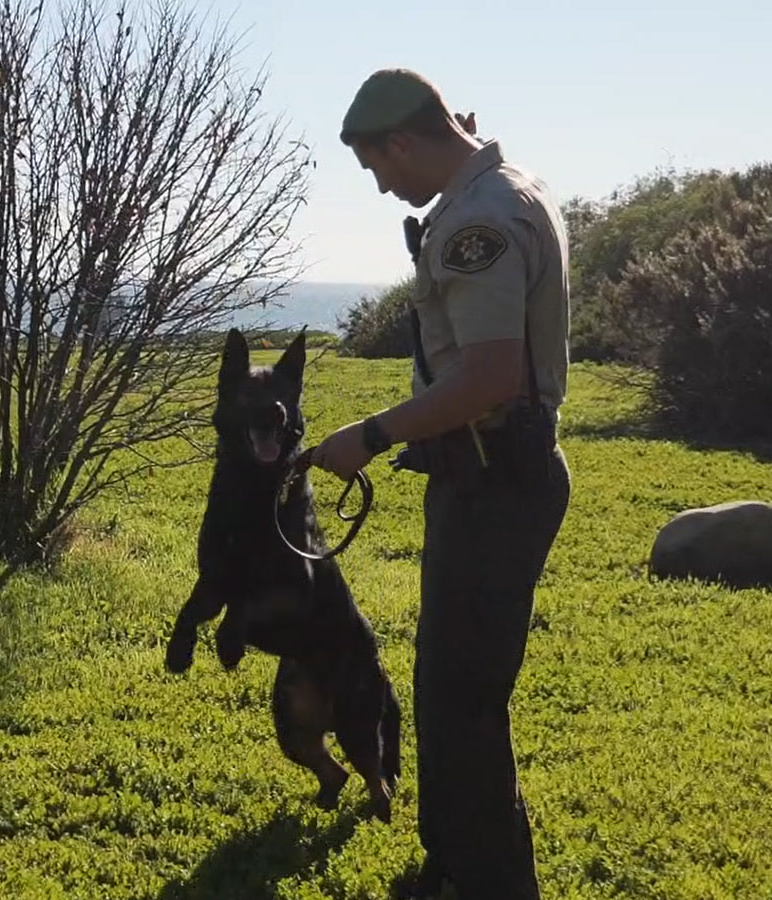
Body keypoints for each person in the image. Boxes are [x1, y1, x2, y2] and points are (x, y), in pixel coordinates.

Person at [310, 68, 573, 900]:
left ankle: (488, 886)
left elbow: (490, 375)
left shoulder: (479, 223)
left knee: (464, 701)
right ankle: (453, 869)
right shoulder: (505, 185)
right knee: (447, 685)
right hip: (484, 475)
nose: (383, 186)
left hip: (497, 480)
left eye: (378, 167)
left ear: (400, 142)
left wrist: (372, 434)